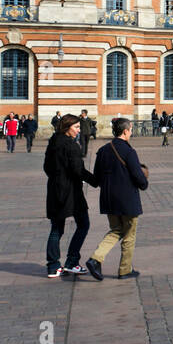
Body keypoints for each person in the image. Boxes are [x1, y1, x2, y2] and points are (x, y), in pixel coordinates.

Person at [84, 118, 148, 281]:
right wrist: (144, 182)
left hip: (108, 199)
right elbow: (137, 175)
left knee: (116, 230)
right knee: (129, 234)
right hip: (127, 200)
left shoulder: (103, 150)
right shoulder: (129, 151)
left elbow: (96, 179)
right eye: (131, 130)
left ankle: (96, 259)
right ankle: (124, 269)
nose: (131, 133)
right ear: (125, 131)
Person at [44, 114, 98, 278]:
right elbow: (78, 171)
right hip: (71, 193)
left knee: (56, 229)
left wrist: (57, 178)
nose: (78, 131)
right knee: (83, 224)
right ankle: (72, 261)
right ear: (67, 128)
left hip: (55, 190)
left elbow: (46, 167)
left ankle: (53, 266)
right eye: (76, 127)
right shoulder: (71, 146)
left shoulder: (53, 143)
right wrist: (96, 181)